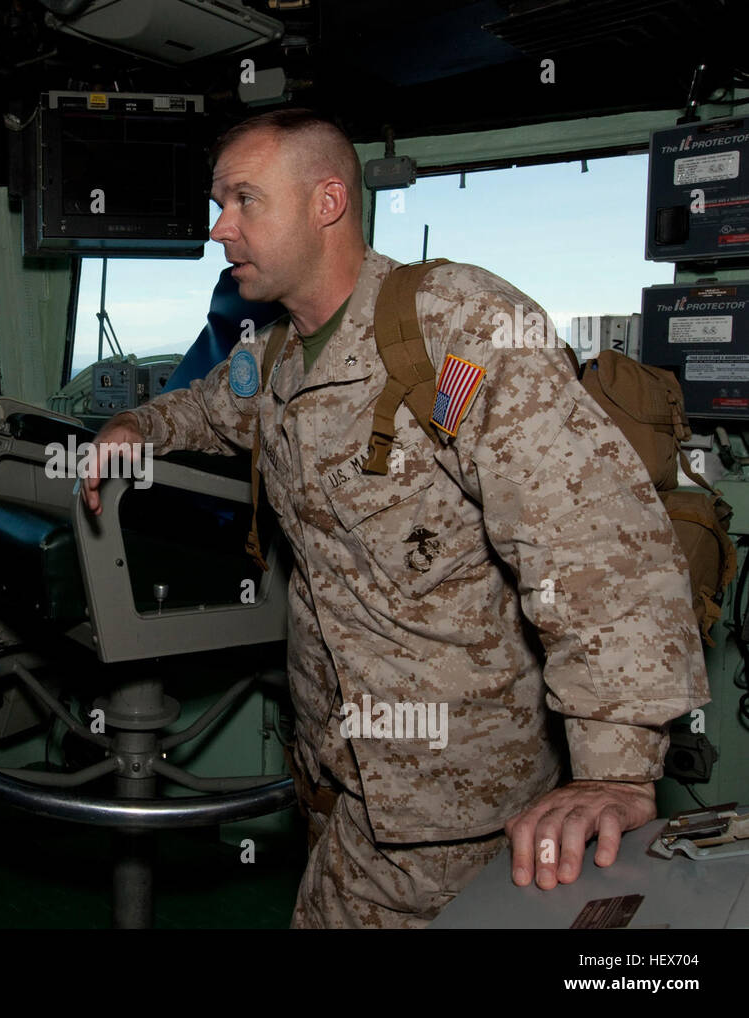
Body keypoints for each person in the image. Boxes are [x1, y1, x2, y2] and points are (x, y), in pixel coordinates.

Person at [83, 109, 710, 928]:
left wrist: (616, 772)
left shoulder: (459, 328)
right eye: (218, 201)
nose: (219, 227)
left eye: (243, 200)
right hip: (337, 775)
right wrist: (139, 426)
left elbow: (593, 543)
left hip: (454, 799)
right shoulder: (274, 353)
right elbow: (210, 408)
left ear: (327, 202)